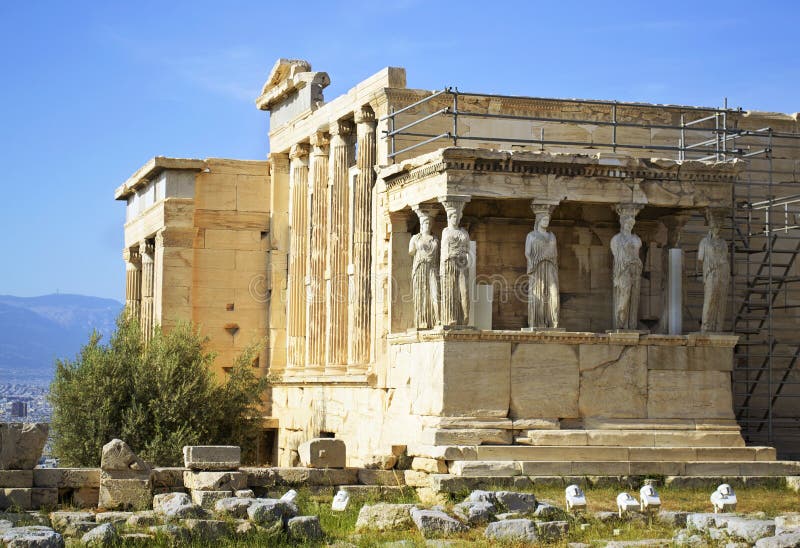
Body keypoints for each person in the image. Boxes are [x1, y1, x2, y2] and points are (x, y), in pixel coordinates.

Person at [525, 206, 559, 328]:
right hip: (537, 267)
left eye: (548, 220)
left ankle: (553, 323)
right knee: (537, 293)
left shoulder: (552, 236)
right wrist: (532, 263)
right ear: (539, 220)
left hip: (550, 267)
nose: (546, 222)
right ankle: (538, 322)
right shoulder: (531, 236)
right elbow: (527, 253)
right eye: (544, 219)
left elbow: (555, 253)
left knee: (554, 293)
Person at [611, 208, 643, 330]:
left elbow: (637, 255)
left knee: (634, 299)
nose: (629, 226)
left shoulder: (636, 239)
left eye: (631, 224)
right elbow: (617, 259)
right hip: (623, 271)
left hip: (635, 270)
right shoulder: (616, 239)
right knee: (624, 299)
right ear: (622, 223)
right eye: (627, 223)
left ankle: (631, 325)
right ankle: (620, 323)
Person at [409, 207, 440, 329]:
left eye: (428, 223)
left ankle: (437, 319)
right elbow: (411, 251)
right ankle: (422, 321)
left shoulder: (435, 239)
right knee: (421, 294)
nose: (426, 225)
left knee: (435, 293)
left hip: (432, 268)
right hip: (420, 267)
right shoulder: (415, 239)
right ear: (421, 225)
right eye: (424, 223)